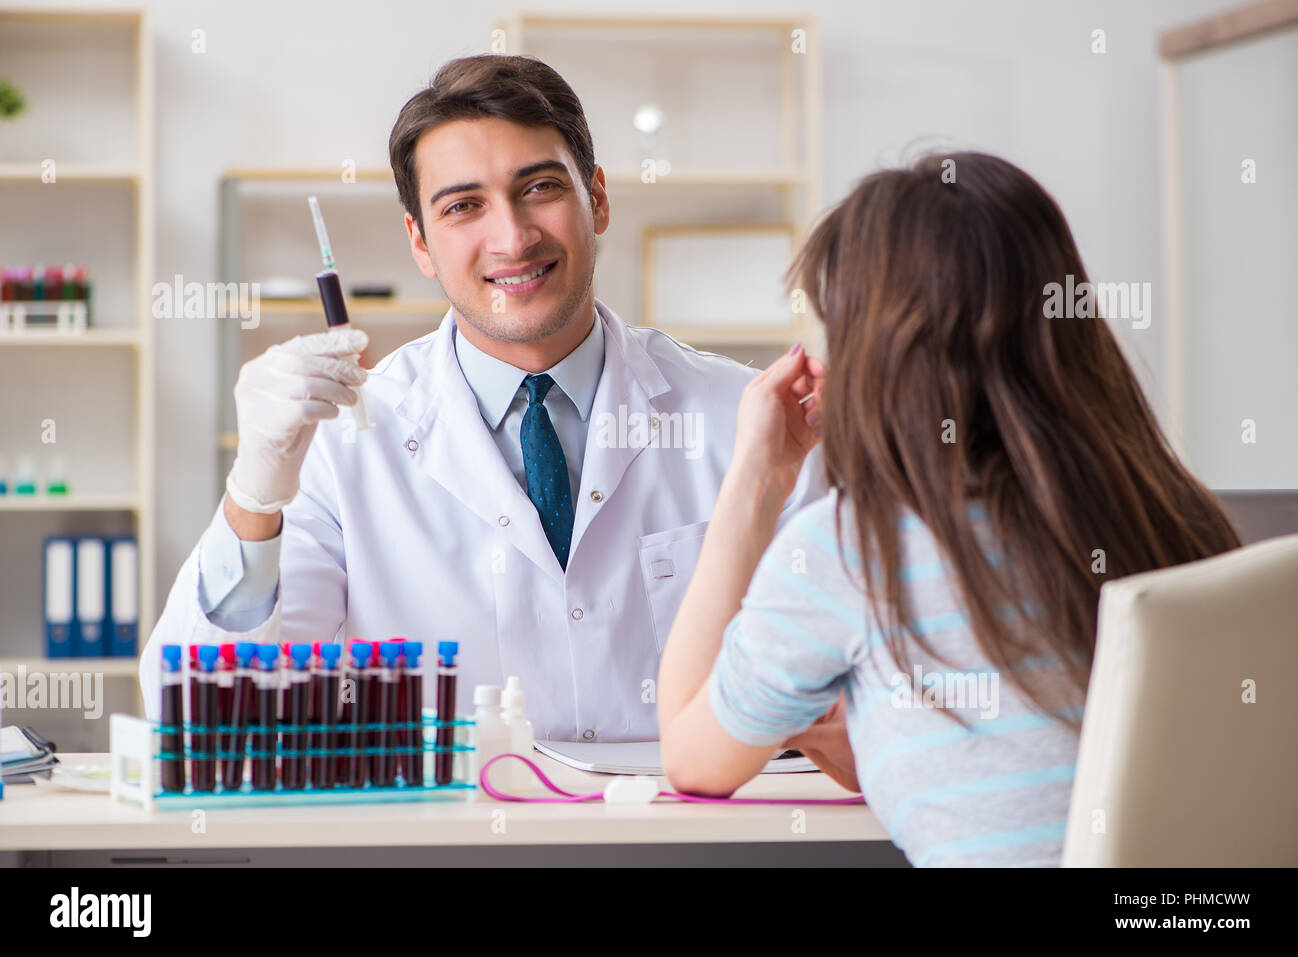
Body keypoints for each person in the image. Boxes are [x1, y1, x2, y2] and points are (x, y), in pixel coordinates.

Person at [140, 55, 827, 740]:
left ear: (600, 198)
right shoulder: (345, 443)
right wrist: (252, 501)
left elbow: (841, 678)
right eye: (464, 206)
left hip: (691, 842)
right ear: (421, 242)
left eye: (540, 187)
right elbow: (200, 715)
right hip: (447, 844)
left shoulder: (744, 419)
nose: (513, 236)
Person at [657, 151, 1241, 866]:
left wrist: (757, 473)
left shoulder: (854, 548)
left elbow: (689, 757)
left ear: (882, 356)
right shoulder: (1177, 516)